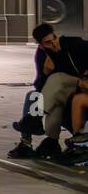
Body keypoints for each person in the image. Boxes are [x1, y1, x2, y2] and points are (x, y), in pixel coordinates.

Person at [9, 24, 87, 158]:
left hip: (81, 85)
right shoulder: (43, 55)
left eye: (54, 39)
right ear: (41, 45)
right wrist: (45, 72)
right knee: (34, 96)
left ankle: (36, 117)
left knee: (57, 78)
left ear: (56, 35)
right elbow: (39, 86)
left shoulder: (75, 43)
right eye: (48, 43)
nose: (54, 44)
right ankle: (46, 142)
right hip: (61, 92)